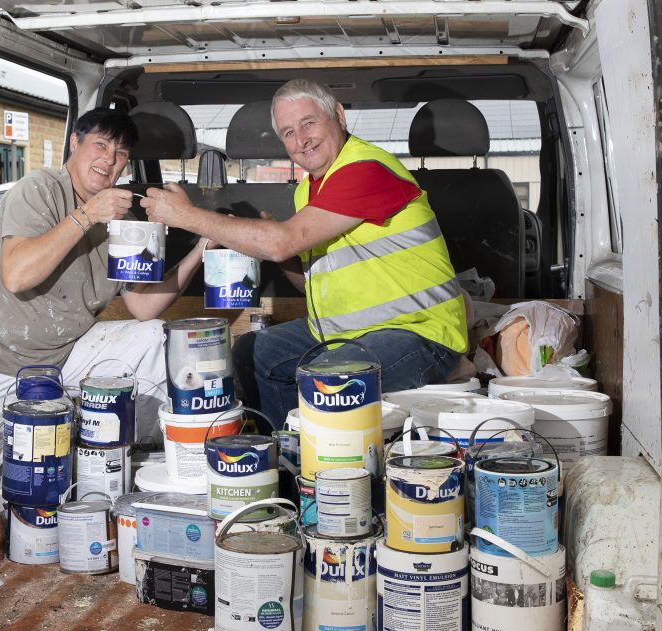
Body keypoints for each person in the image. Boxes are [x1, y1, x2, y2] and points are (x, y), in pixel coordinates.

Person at [141, 79, 468, 430]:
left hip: (419, 334)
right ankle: (285, 454)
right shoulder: (307, 192)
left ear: (339, 116)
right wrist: (267, 245)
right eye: (288, 132)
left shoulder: (367, 169)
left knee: (328, 377)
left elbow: (283, 241)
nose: (301, 139)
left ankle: (327, 472)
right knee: (254, 353)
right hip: (346, 333)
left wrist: (185, 216)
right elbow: (305, 283)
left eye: (309, 123)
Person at [0, 107, 208, 484]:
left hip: (63, 357)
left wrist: (201, 248)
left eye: (121, 152)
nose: (109, 160)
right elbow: (16, 276)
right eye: (101, 144)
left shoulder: (121, 220)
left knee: (154, 337)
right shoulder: (40, 188)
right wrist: (87, 215)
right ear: (75, 143)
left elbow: (143, 306)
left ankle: (145, 467)